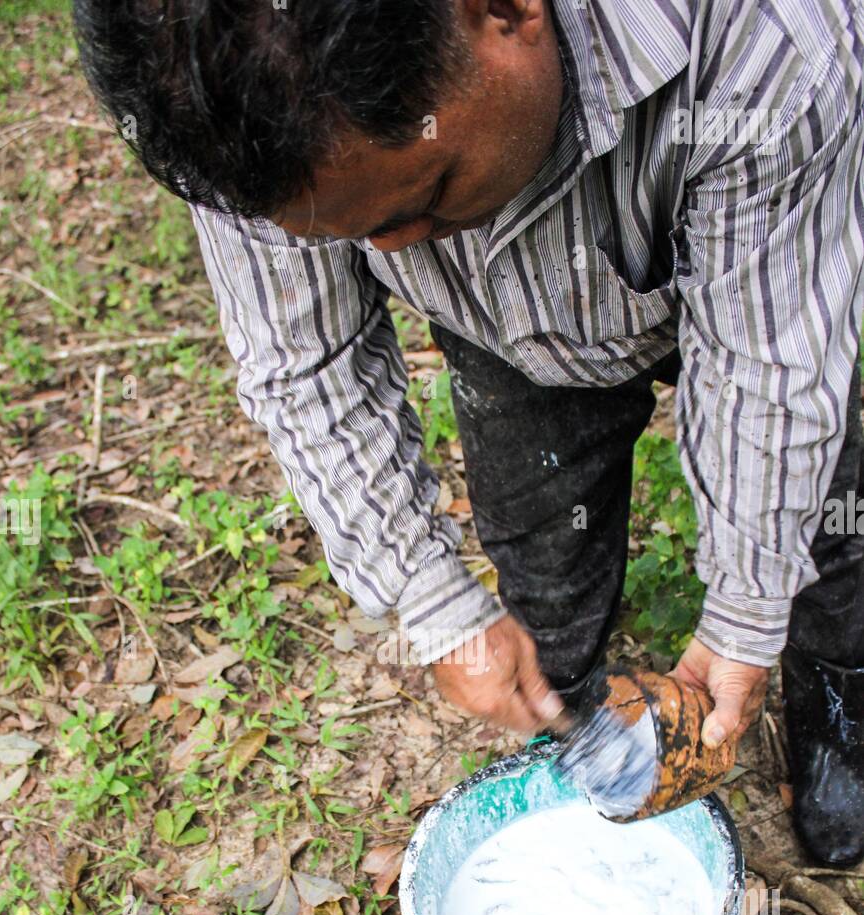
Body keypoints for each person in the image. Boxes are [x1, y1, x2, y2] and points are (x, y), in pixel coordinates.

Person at [73, 1, 864, 866]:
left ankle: (839, 699)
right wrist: (437, 604)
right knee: (541, 557)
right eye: (350, 236)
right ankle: (564, 720)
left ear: (506, 10)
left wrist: (747, 611)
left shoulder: (766, 42)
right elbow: (307, 365)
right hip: (503, 330)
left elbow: (769, 366)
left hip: (749, 263)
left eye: (426, 197)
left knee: (832, 525)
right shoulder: (227, 111)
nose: (391, 249)